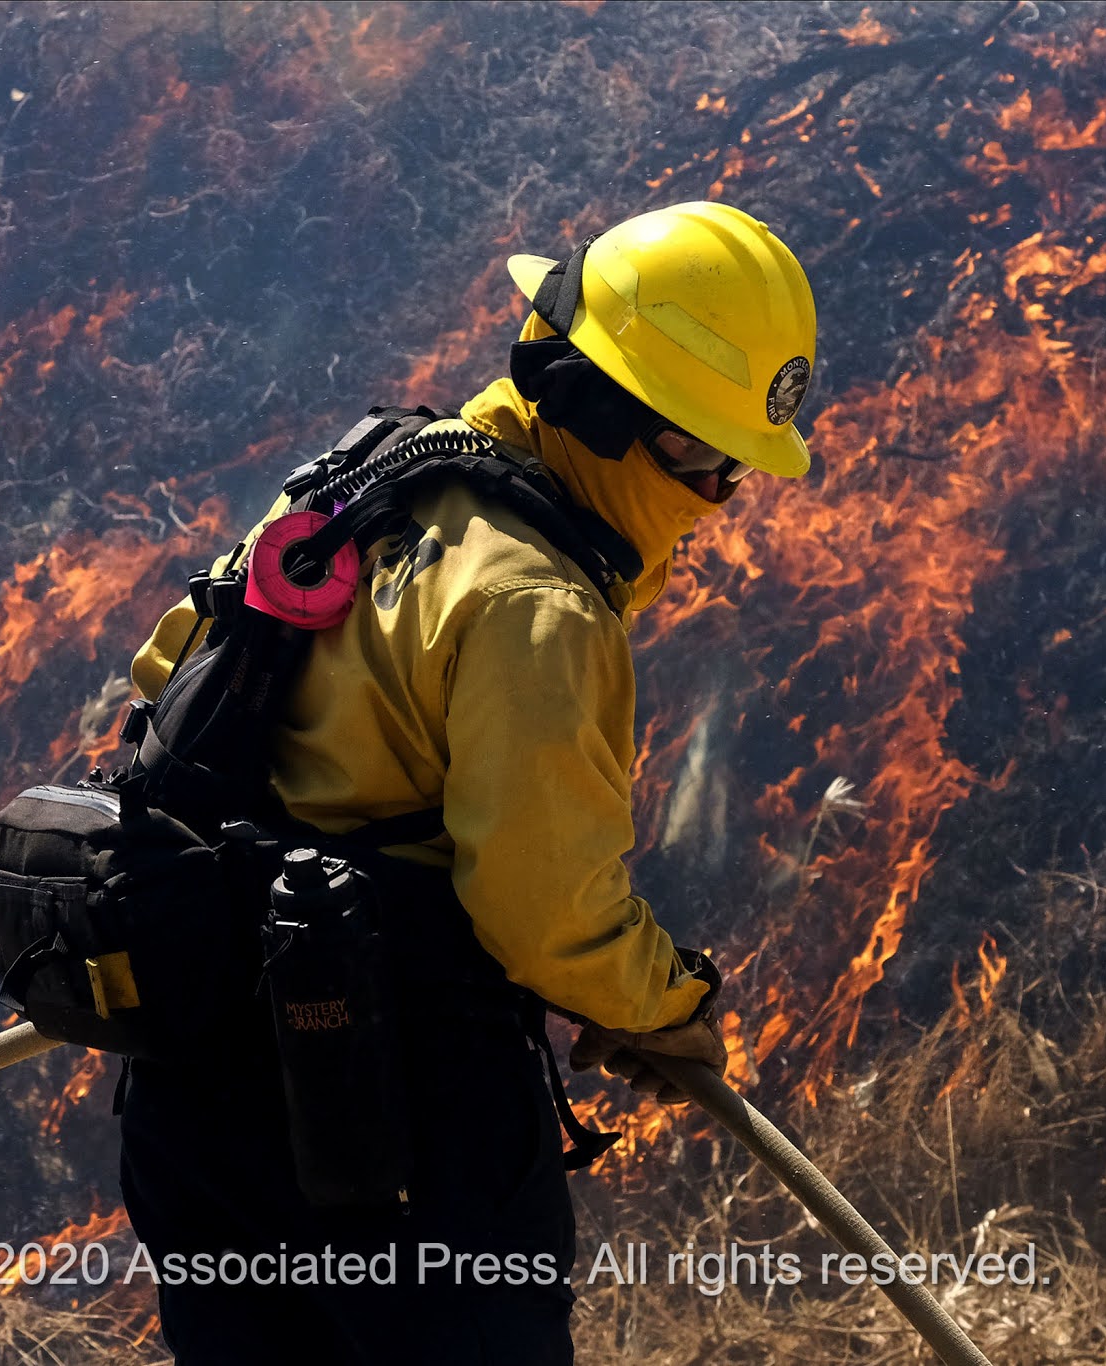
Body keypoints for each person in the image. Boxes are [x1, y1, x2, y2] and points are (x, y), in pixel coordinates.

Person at [115, 201, 818, 1363]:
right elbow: (545, 913)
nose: (714, 498)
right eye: (705, 457)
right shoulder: (533, 603)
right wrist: (670, 1007)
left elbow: (164, 670)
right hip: (389, 1125)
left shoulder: (359, 480)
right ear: (603, 415)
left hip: (192, 1104)